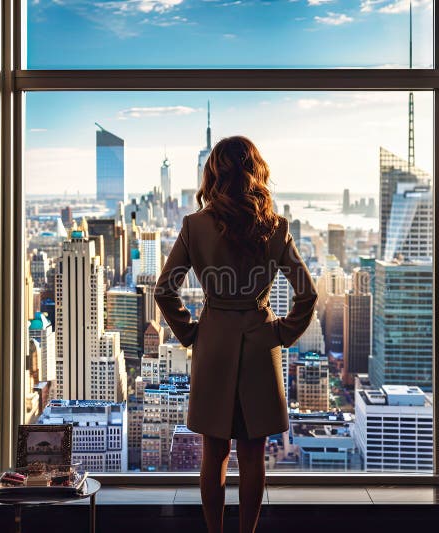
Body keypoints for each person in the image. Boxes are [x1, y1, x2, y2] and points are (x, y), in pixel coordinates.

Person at [155, 136, 318, 533]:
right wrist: (281, 333)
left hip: (213, 345)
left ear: (213, 173)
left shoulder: (195, 226)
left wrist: (192, 333)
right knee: (253, 454)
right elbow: (308, 294)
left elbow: (164, 290)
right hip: (261, 345)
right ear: (255, 171)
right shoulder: (275, 227)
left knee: (213, 454)